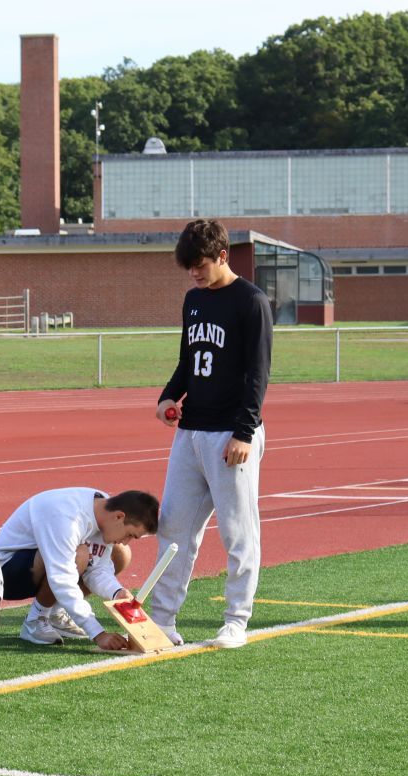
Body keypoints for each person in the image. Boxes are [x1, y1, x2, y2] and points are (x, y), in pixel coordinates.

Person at [149, 219, 273, 649]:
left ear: (223, 256)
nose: (194, 273)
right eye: (188, 266)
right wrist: (168, 396)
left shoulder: (251, 301)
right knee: (173, 527)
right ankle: (162, 619)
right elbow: (188, 360)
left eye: (200, 265)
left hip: (231, 436)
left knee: (238, 531)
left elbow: (258, 374)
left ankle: (237, 620)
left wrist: (244, 432)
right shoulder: (194, 299)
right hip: (191, 433)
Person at [0, 488, 160, 651]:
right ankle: (36, 620)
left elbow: (97, 568)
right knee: (80, 554)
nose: (126, 541)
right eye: (130, 534)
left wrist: (117, 592)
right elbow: (62, 579)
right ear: (119, 516)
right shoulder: (67, 517)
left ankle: (55, 614)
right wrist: (98, 633)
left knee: (121, 553)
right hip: (3, 575)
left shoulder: (104, 510)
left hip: (37, 566)